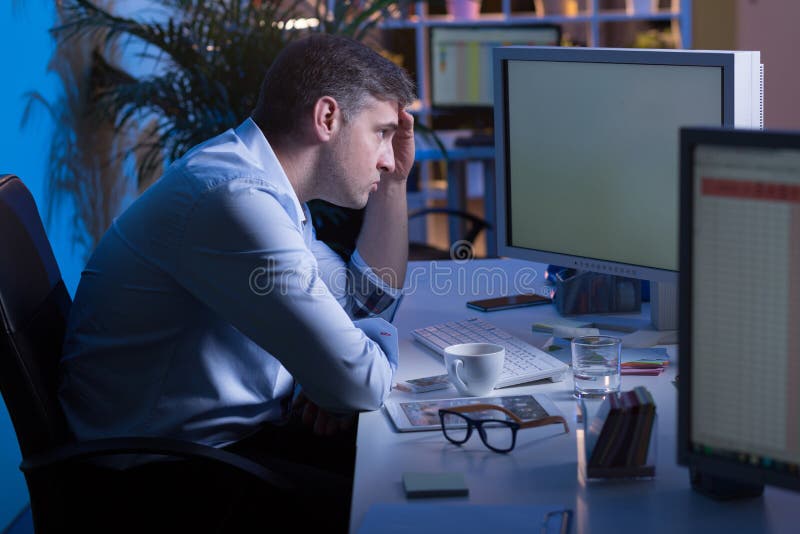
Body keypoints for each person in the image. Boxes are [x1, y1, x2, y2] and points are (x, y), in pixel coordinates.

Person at [58, 33, 415, 531]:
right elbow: (359, 383)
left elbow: (365, 302)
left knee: (406, 462)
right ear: (328, 118)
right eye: (380, 133)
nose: (387, 155)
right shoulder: (233, 198)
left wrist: (394, 184)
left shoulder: (261, 185)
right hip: (157, 481)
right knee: (400, 507)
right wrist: (332, 374)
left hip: (221, 445)